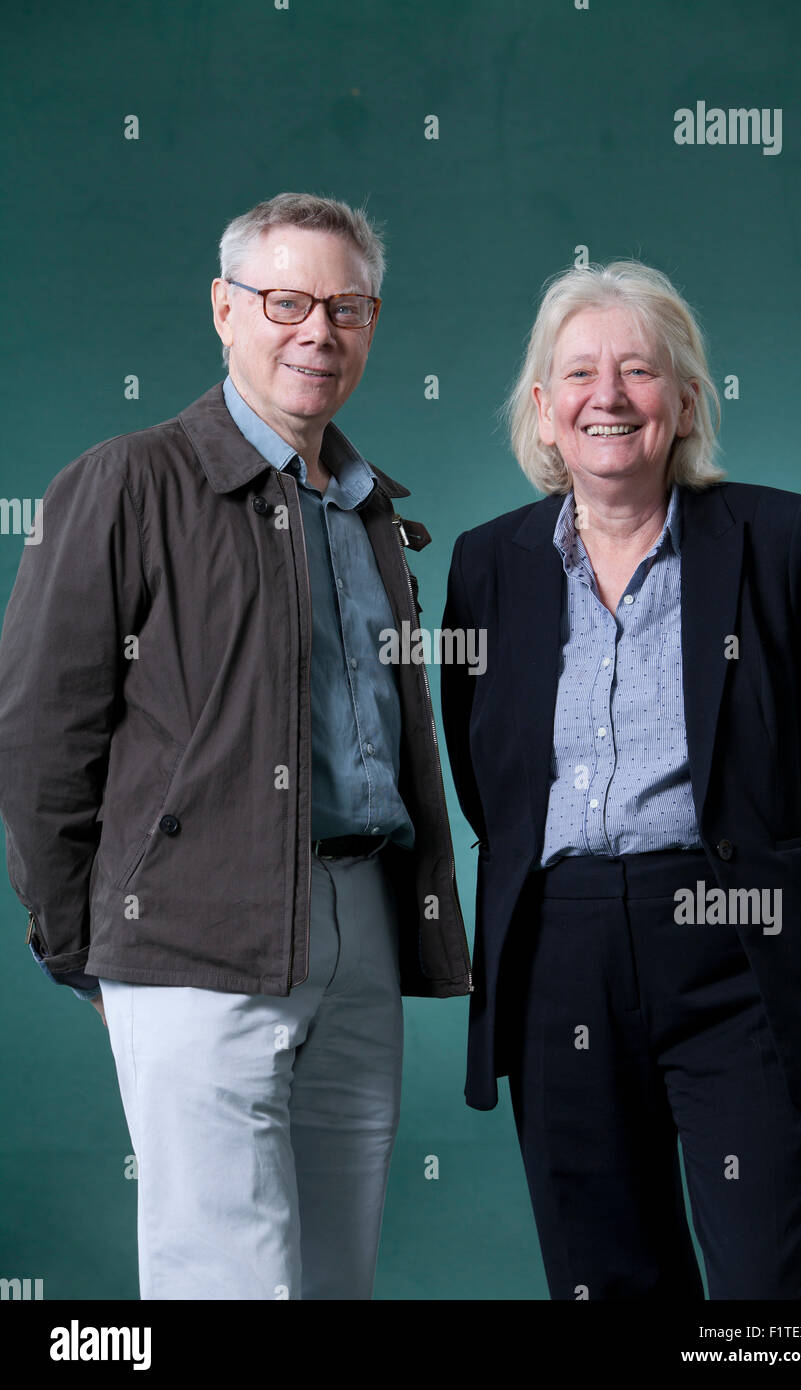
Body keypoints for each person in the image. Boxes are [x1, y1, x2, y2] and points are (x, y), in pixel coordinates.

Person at [0, 192, 471, 1300]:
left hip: (360, 928)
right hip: (192, 934)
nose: (317, 330)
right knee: (227, 1283)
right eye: (285, 301)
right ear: (224, 310)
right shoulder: (129, 480)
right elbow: (37, 729)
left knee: (329, 1279)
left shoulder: (366, 509)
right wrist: (84, 938)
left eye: (345, 307)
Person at [440, 259, 801, 1300]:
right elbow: (479, 768)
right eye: (578, 373)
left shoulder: (778, 540)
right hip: (557, 949)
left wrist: (769, 889)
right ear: (542, 411)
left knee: (768, 1285)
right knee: (603, 1276)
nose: (608, 396)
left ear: (681, 401)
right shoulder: (486, 565)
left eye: (638, 370)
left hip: (736, 953)